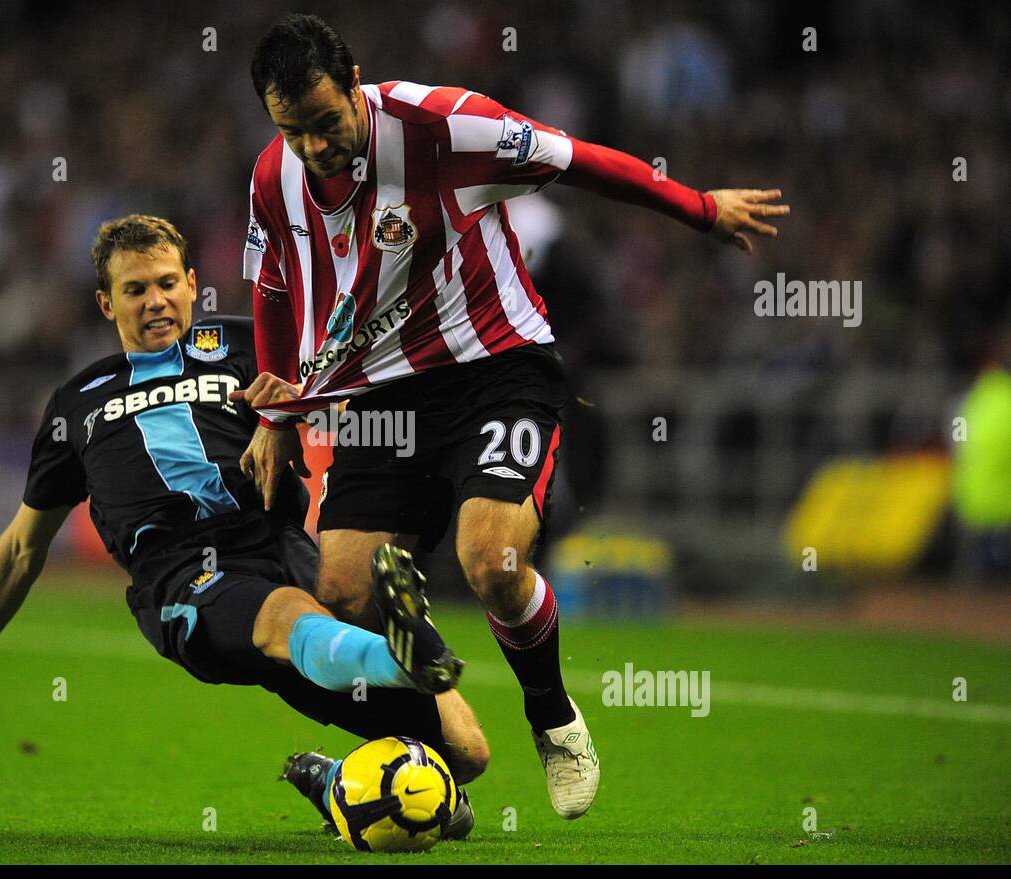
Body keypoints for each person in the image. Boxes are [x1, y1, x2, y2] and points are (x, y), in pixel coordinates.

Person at [239, 14, 789, 819]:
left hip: (496, 369)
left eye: (325, 122)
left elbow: (578, 159)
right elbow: (274, 286)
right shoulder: (272, 177)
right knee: (345, 595)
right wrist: (279, 412)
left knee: (492, 560)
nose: (314, 146)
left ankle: (552, 715)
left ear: (356, 82)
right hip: (384, 396)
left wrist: (700, 207)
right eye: (293, 131)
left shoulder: (445, 127)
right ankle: (428, 761)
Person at [0, 214, 488, 835]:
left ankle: (338, 782)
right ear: (106, 303)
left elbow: (345, 384)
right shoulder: (78, 402)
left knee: (465, 754)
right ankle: (402, 656)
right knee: (289, 614)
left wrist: (291, 409)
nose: (156, 301)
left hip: (277, 542)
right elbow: (21, 547)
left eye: (167, 283)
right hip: (183, 577)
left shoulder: (247, 344)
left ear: (193, 284)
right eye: (135, 289)